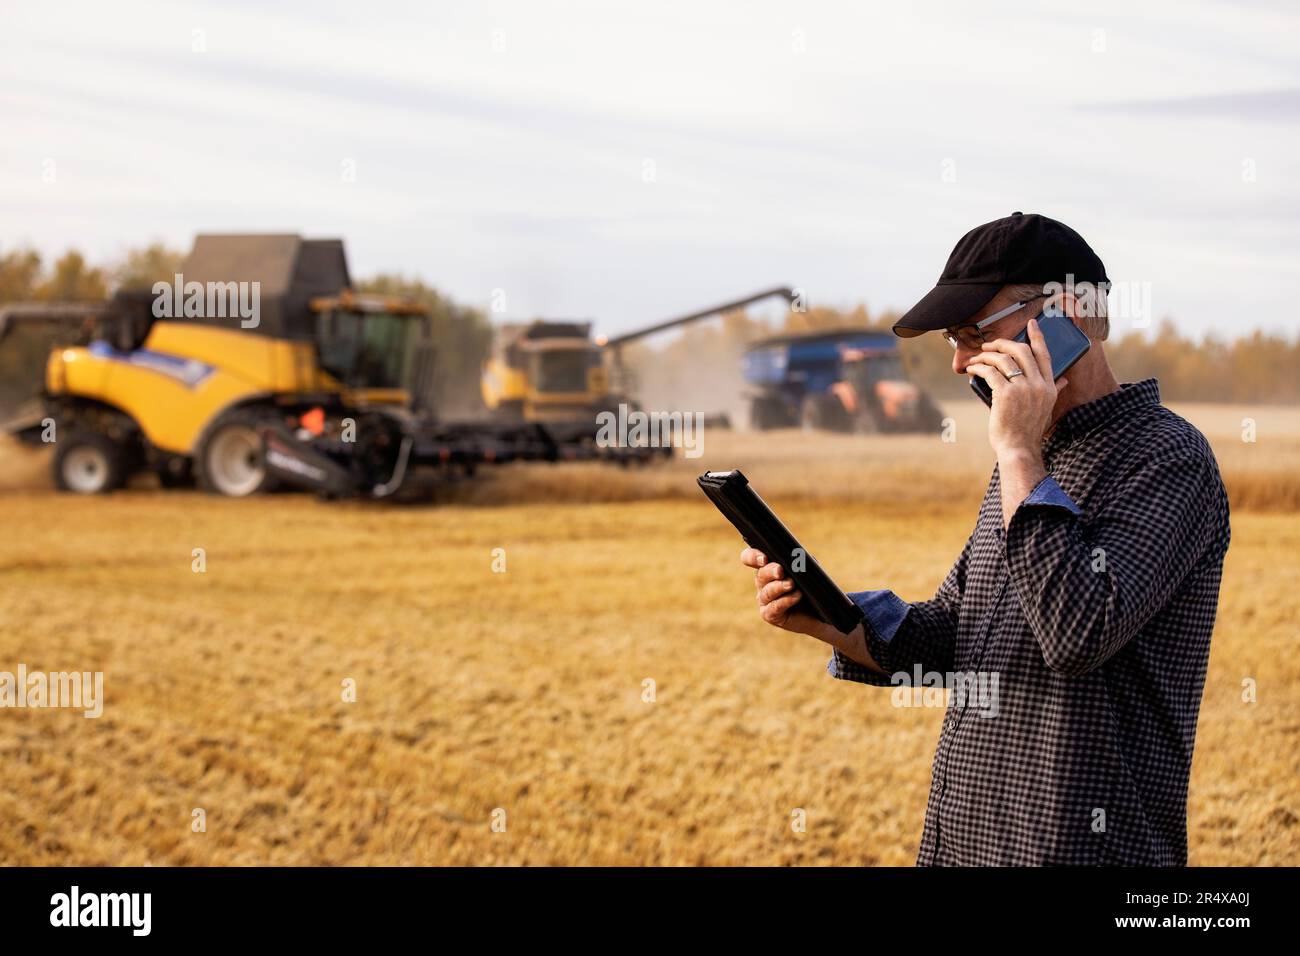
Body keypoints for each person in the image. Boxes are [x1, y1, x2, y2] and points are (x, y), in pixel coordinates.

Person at [741, 212, 1230, 865]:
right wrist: (834, 620)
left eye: (973, 332)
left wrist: (1019, 455)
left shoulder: (1169, 461)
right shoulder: (1025, 460)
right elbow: (956, 636)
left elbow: (1077, 634)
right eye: (952, 338)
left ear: (1065, 316)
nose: (956, 361)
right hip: (963, 844)